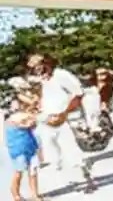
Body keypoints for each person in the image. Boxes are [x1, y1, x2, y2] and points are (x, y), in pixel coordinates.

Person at [27, 54, 95, 194]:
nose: (36, 69)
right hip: (46, 120)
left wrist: (64, 113)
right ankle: (68, 183)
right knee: (53, 155)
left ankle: (88, 180)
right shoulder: (40, 79)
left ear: (46, 62)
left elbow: (78, 94)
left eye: (38, 65)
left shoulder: (61, 75)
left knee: (73, 152)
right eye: (33, 67)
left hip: (65, 119)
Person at [6, 77, 42, 201]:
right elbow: (31, 103)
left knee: (33, 169)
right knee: (19, 170)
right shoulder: (13, 102)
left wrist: (31, 119)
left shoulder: (27, 105)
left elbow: (33, 118)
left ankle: (35, 195)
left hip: (29, 141)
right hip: (17, 143)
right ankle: (15, 194)